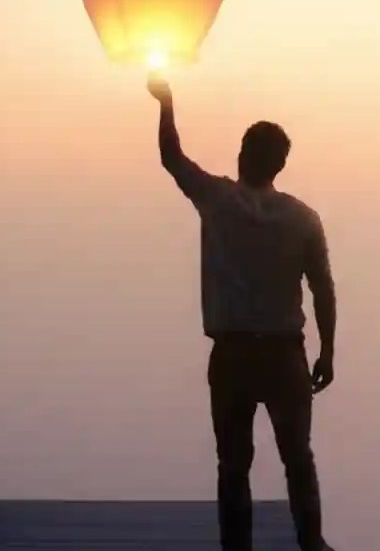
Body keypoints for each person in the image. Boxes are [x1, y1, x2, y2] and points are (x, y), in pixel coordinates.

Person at [147, 74, 337, 551]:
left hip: (232, 356)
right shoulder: (303, 218)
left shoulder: (217, 199)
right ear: (280, 165)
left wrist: (166, 103)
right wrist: (327, 351)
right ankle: (311, 544)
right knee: (297, 458)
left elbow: (172, 157)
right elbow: (322, 290)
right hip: (283, 356)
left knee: (233, 465)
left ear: (242, 154)